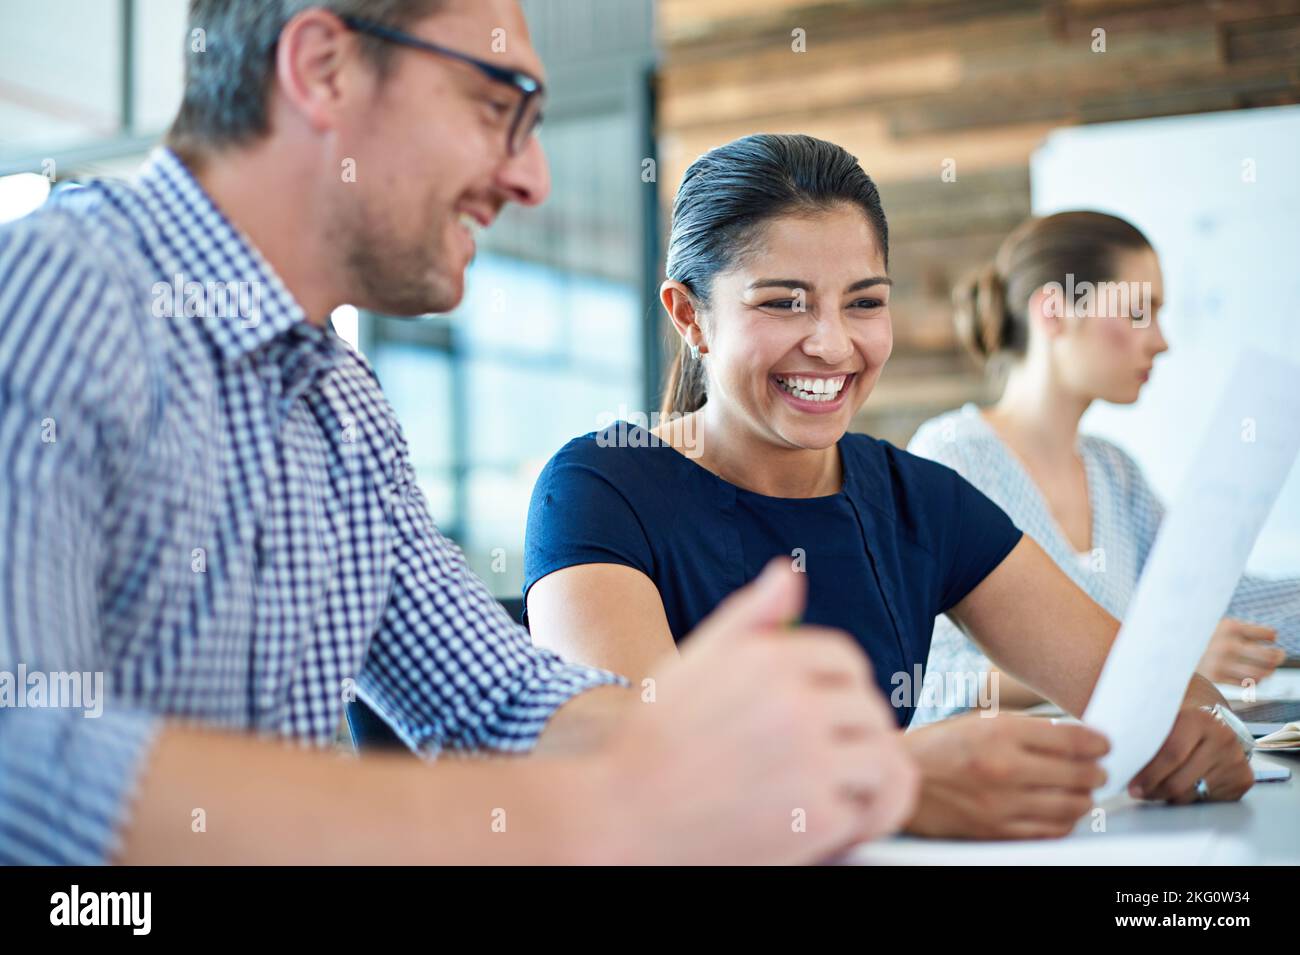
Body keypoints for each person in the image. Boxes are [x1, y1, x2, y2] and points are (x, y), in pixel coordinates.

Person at [0, 0, 918, 865]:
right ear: (324, 70)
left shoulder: (341, 405)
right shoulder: (59, 287)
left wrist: (772, 760)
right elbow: (22, 760)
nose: (531, 178)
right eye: (494, 106)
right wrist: (604, 805)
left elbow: (495, 698)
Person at [524, 133, 1254, 841]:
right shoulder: (597, 486)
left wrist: (1210, 737)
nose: (834, 343)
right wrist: (894, 777)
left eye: (864, 303)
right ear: (690, 315)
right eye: (784, 302)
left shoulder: (918, 500)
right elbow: (626, 769)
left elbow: (1160, 696)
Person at [907, 210, 1299, 726]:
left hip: (1118, 783)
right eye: (1140, 312)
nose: (1161, 341)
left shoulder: (1115, 473)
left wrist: (1162, 656)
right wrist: (1151, 663)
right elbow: (931, 686)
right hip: (1008, 793)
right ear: (1053, 311)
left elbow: (1227, 600)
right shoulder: (950, 457)